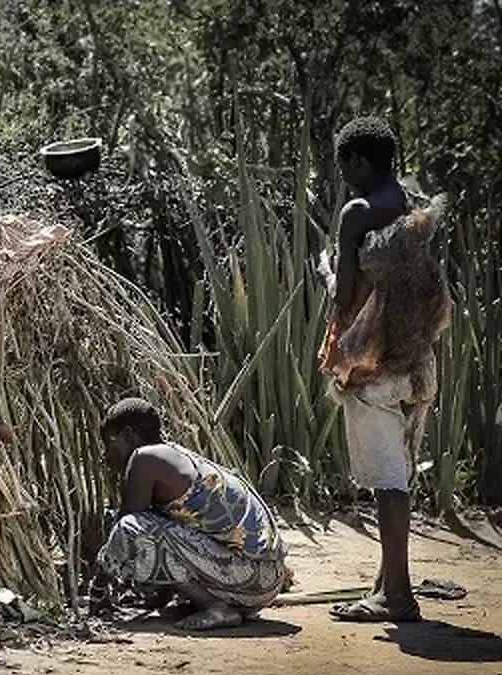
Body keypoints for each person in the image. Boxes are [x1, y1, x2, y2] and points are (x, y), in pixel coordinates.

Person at [318, 115, 450, 623]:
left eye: (343, 163)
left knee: (389, 481)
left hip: (373, 365)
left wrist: (328, 272)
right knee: (400, 471)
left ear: (358, 161)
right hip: (415, 362)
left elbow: (348, 296)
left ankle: (396, 595)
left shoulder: (358, 213)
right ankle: (387, 580)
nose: (342, 173)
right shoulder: (413, 208)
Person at [92, 398, 288, 631]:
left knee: (130, 526)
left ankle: (217, 608)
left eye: (109, 443)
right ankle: (207, 602)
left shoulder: (145, 458)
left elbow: (127, 531)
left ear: (128, 435)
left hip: (251, 579)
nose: (106, 455)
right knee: (151, 526)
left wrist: (98, 590)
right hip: (264, 580)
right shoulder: (173, 454)